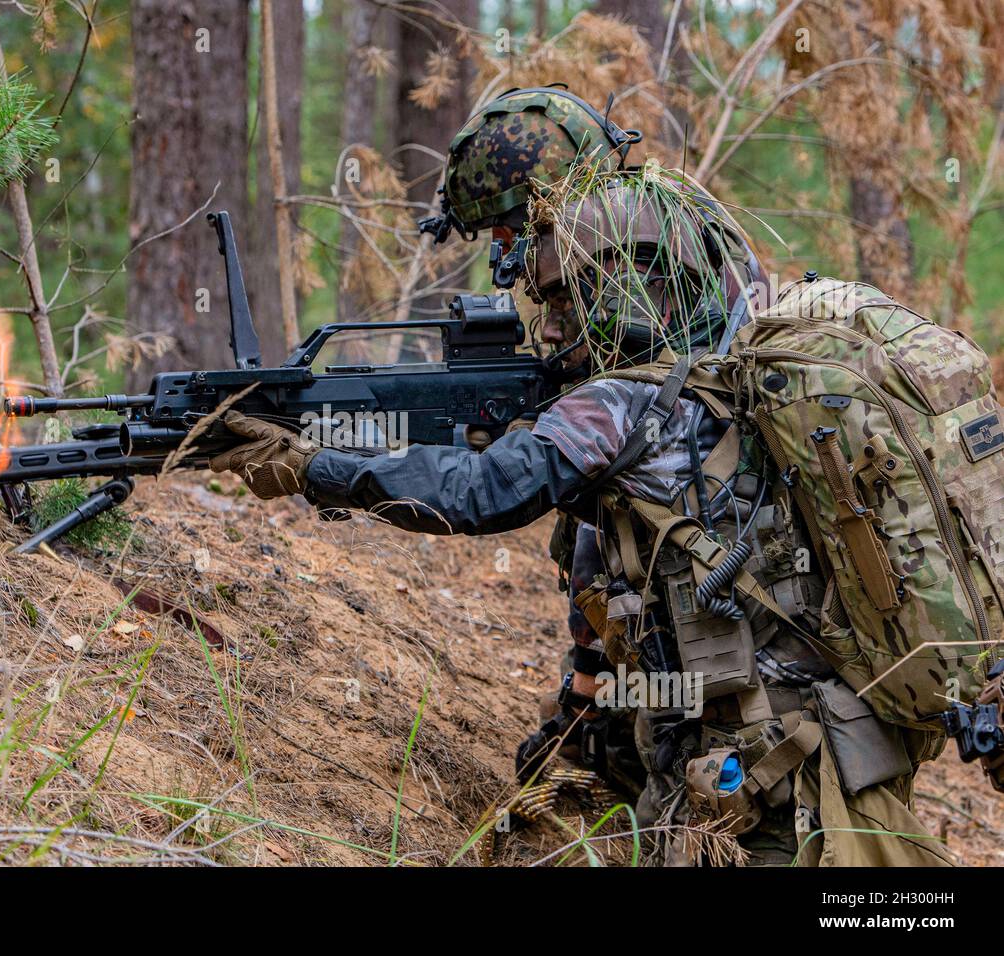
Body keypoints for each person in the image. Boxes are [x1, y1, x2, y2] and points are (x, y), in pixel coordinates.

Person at [209, 91, 967, 866]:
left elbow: (480, 493)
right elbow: (616, 550)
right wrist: (589, 703)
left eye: (557, 289)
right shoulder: (728, 356)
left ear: (612, 285)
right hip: (826, 738)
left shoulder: (628, 400)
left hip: (770, 781)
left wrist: (315, 466)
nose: (548, 314)